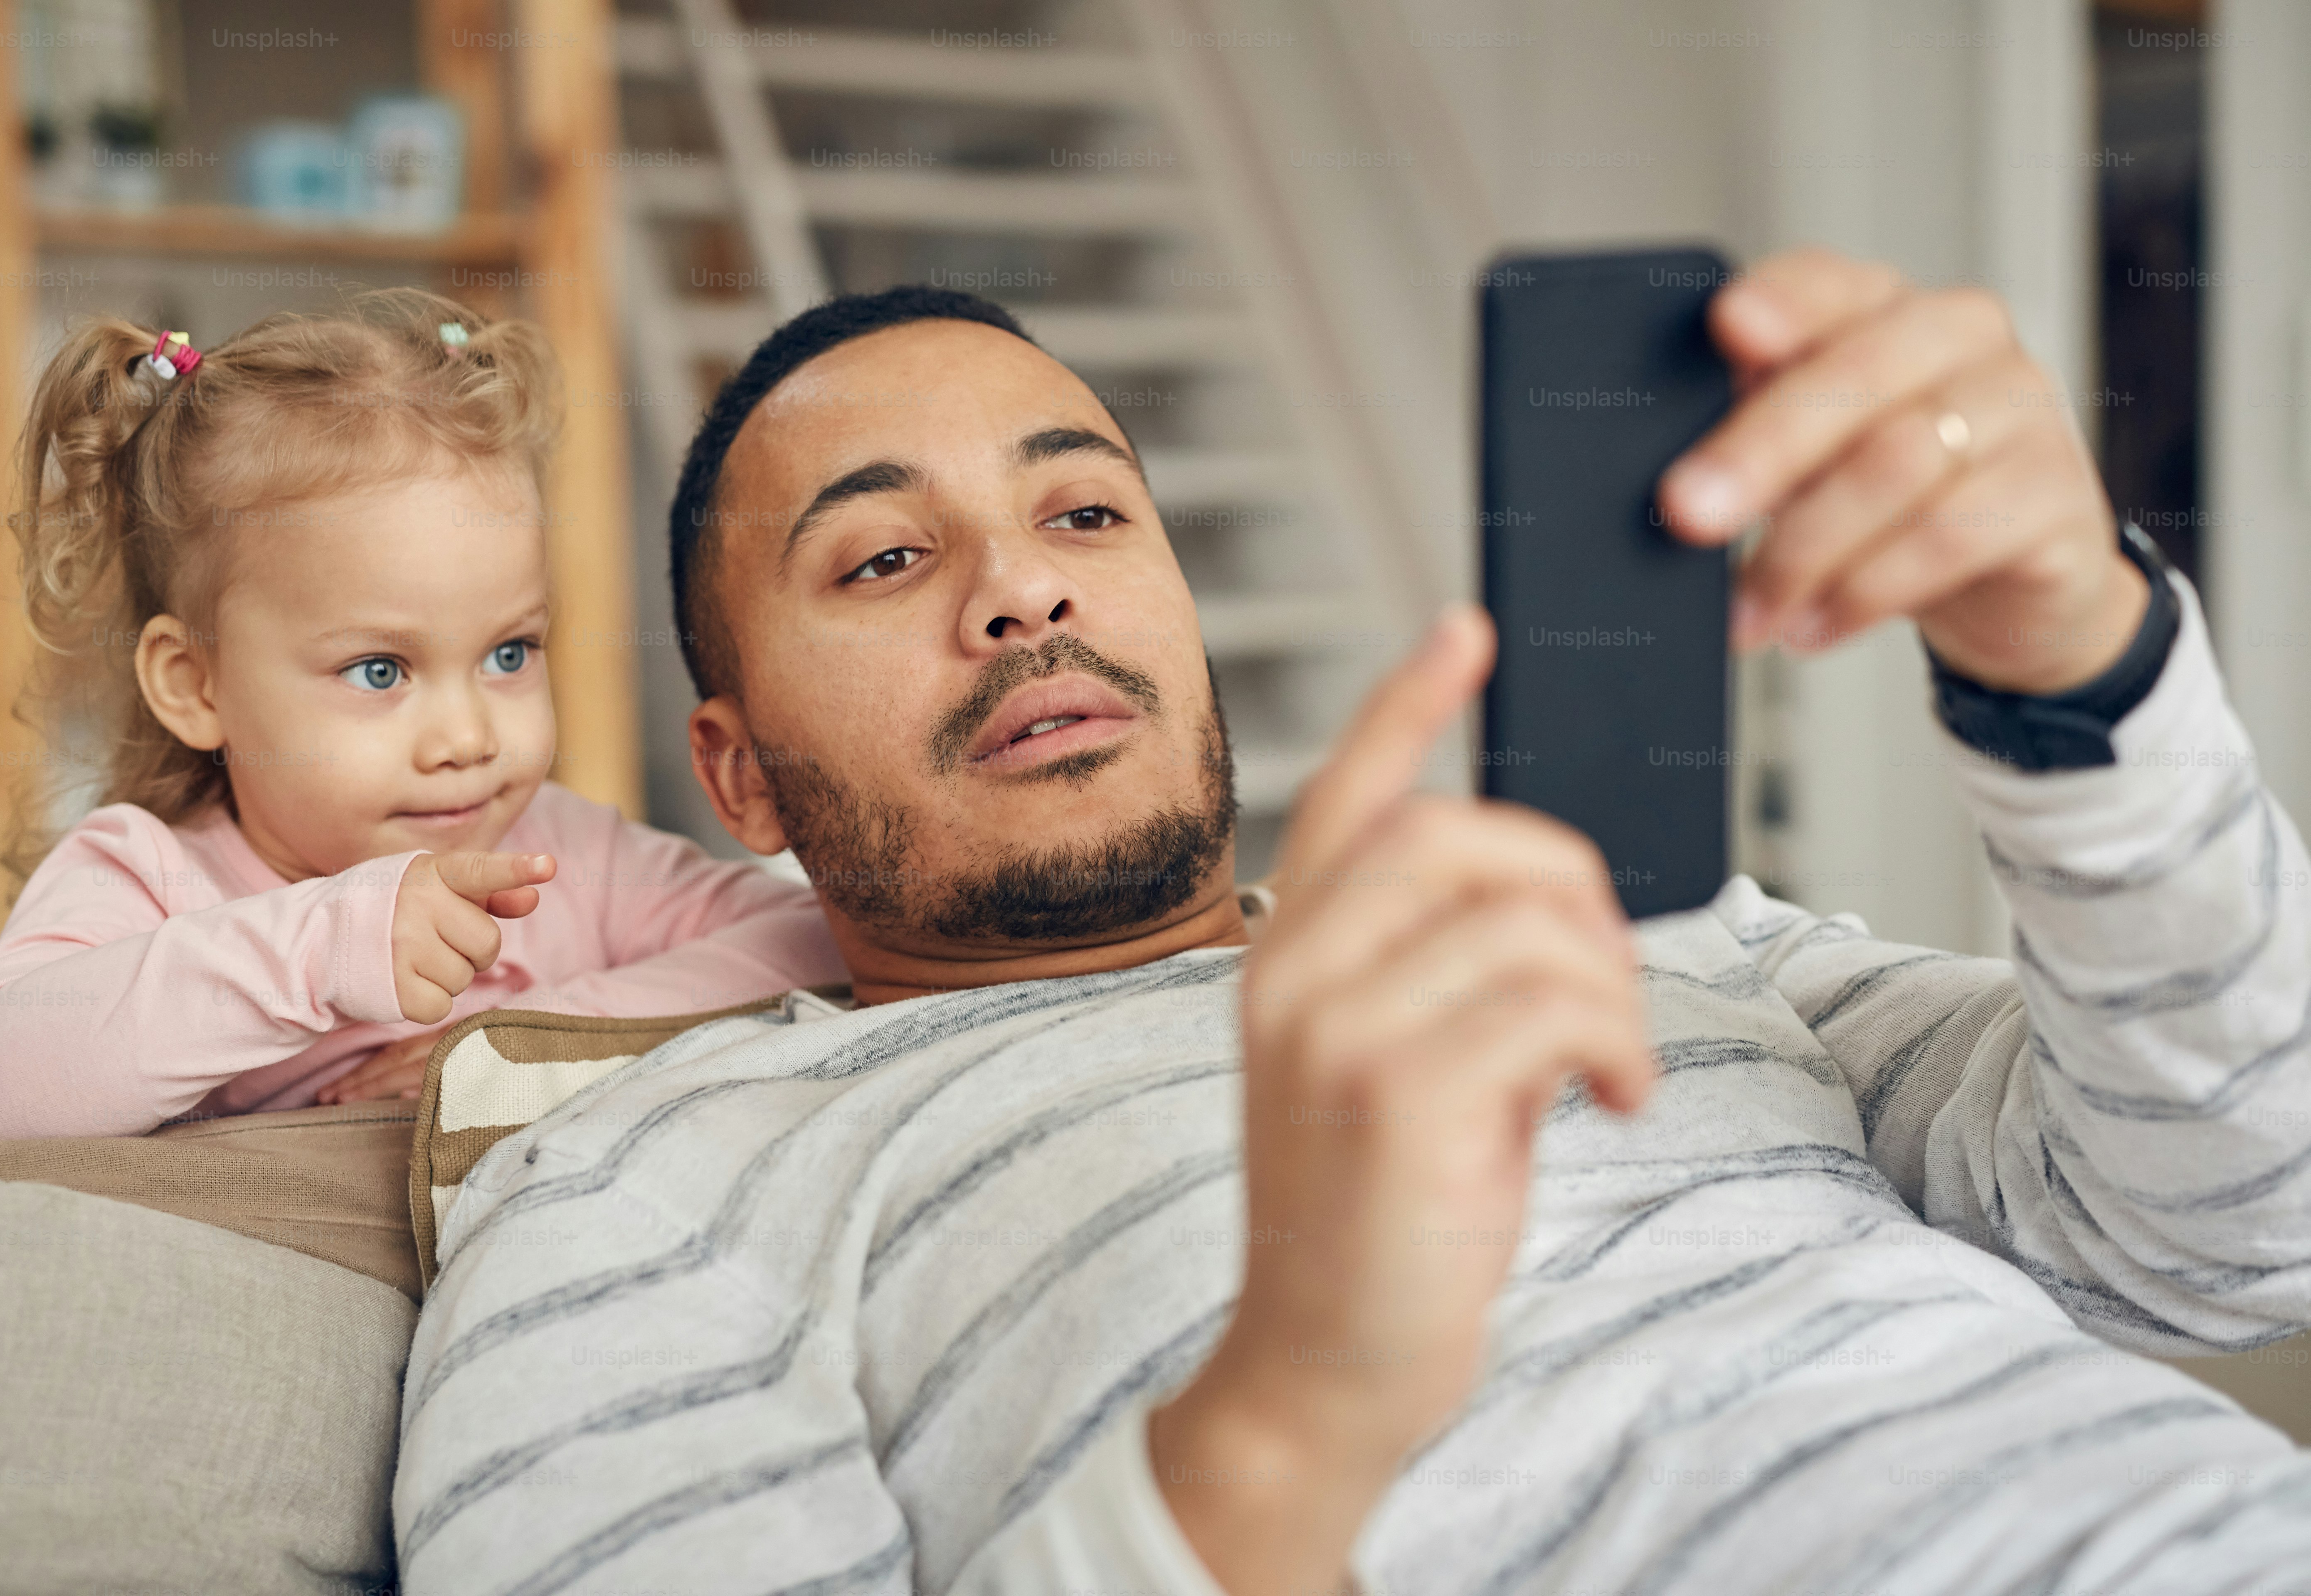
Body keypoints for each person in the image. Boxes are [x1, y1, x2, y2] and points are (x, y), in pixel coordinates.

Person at [395, 256, 2311, 1595]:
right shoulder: (646, 1178)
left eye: (1086, 516)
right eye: (884, 557)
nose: (1019, 599)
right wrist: (1289, 1412)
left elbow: (2242, 1240)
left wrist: (2082, 669)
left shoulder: (1645, 931)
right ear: (735, 779)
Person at [0, 291, 845, 1143]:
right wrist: (326, 948)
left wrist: (528, 1038)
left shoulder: (557, 852)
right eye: (379, 670)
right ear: (195, 685)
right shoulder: (151, 875)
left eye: (510, 654)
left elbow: (821, 937)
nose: (468, 739)